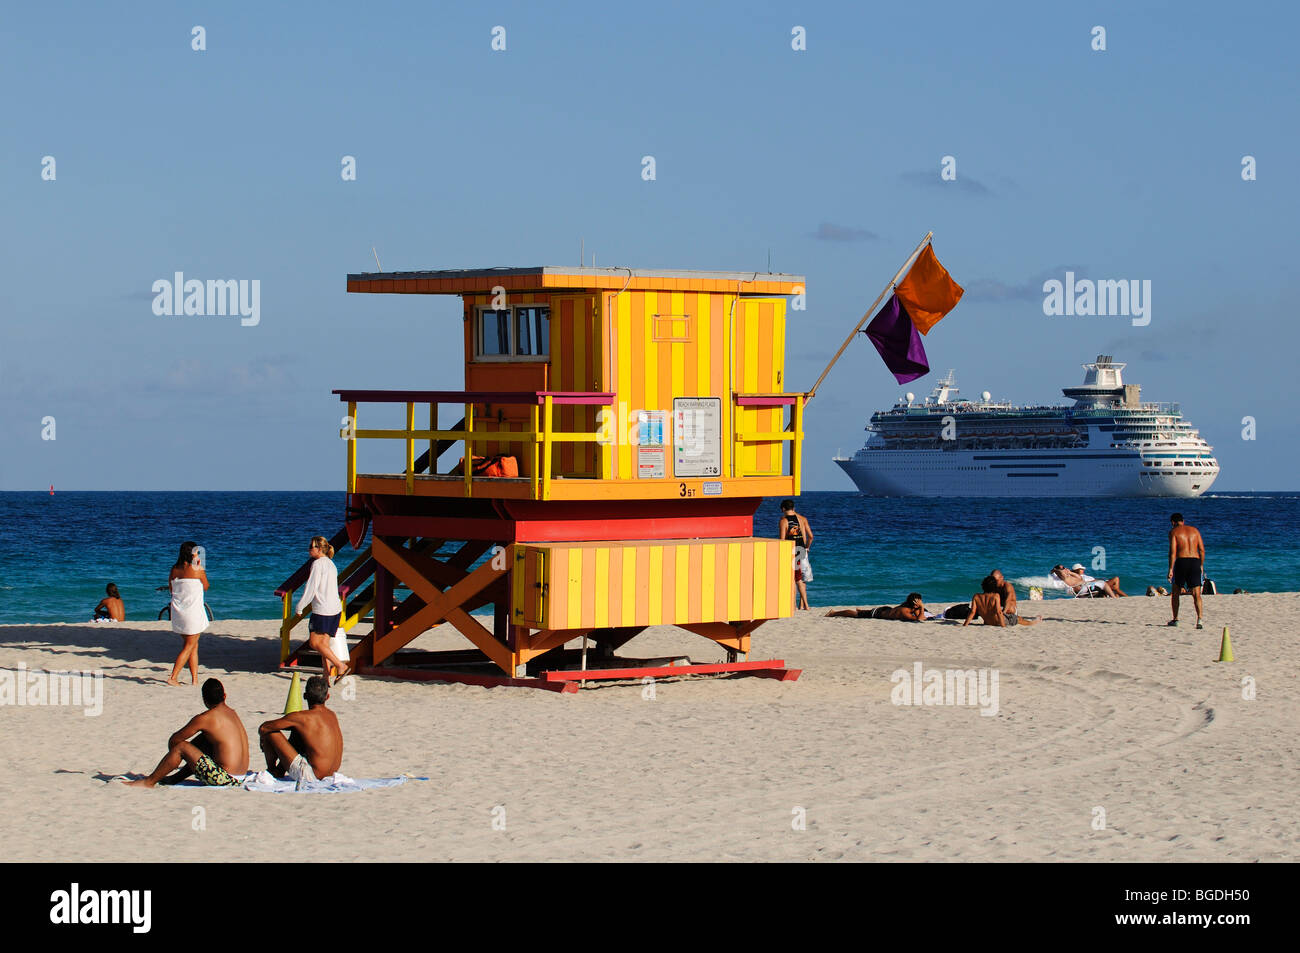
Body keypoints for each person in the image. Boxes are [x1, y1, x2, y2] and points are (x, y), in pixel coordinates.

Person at [126, 679, 249, 788]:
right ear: (225, 696)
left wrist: (180, 755)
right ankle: (174, 778)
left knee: (182, 747)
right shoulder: (233, 713)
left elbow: (175, 740)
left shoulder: (206, 718)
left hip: (225, 779)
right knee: (206, 740)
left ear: (204, 700)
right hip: (241, 777)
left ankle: (148, 782)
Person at [258, 676, 344, 784]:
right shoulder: (332, 715)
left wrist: (263, 739)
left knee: (270, 732)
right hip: (331, 773)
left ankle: (272, 770)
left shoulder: (301, 718)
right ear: (327, 697)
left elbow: (263, 727)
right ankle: (279, 769)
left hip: (311, 775)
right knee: (297, 731)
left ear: (305, 696)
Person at [298, 535, 350, 682]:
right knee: (324, 645)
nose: (309, 549)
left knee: (314, 643)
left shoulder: (318, 564)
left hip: (323, 610)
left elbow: (311, 588)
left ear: (319, 549)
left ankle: (340, 666)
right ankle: (326, 676)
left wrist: (300, 607)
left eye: (311, 547)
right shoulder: (331, 564)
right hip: (335, 609)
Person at [166, 541, 209, 686]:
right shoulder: (197, 568)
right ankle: (173, 677)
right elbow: (206, 586)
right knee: (190, 645)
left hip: (179, 612)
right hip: (192, 613)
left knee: (192, 645)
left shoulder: (174, 569)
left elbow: (171, 589)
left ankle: (195, 679)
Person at [1167, 512, 1206, 628]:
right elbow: (1202, 550)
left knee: (1176, 592)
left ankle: (1176, 619)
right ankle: (1199, 619)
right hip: (1195, 561)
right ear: (1183, 521)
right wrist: (1201, 565)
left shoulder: (1173, 532)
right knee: (1196, 594)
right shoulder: (1195, 531)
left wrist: (1170, 569)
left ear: (1172, 523)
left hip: (1181, 561)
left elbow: (1173, 553)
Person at [964, 576, 1041, 627]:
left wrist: (965, 624)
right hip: (997, 622)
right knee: (1018, 619)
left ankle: (1032, 622)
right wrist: (1003, 626)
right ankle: (1032, 622)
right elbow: (999, 612)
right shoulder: (995, 596)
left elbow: (972, 612)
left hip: (987, 622)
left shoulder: (976, 596)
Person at [779, 500, 814, 611]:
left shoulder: (784, 521)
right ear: (793, 508)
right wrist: (807, 548)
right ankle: (804, 605)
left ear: (783, 509)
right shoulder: (801, 519)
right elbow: (810, 536)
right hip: (801, 550)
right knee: (800, 578)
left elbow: (782, 540)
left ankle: (793, 605)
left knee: (793, 579)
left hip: (792, 551)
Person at [826, 593, 926, 622]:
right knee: (856, 615)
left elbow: (919, 616)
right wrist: (922, 607)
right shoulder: (905, 612)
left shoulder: (908, 606)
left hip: (886, 610)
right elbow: (920, 619)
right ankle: (834, 613)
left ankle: (863, 610)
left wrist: (919, 608)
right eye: (920, 602)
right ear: (916, 604)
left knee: (865, 612)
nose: (922, 603)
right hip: (878, 613)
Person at [1051, 564, 1127, 598]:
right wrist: (1057, 570)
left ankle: (1115, 595)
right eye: (1062, 568)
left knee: (1104, 584)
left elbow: (1080, 579)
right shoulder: (1064, 577)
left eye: (1064, 567)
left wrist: (1070, 572)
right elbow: (1058, 572)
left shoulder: (1071, 576)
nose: (1064, 569)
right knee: (1103, 584)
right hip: (1084, 589)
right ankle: (1114, 597)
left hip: (1086, 587)